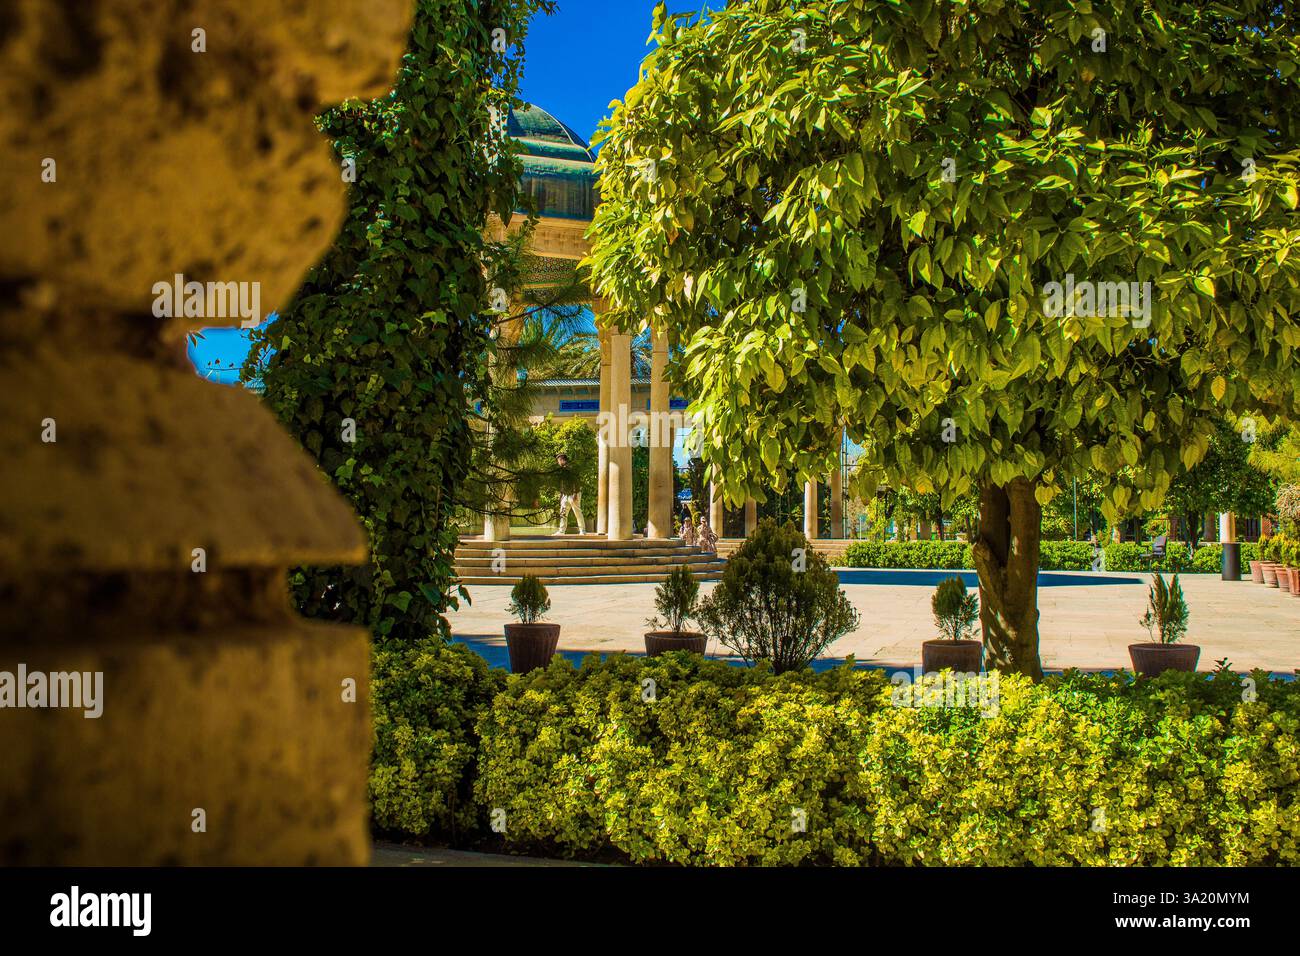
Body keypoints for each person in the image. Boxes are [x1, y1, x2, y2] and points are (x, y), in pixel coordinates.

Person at [552, 453, 585, 535]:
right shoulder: (561, 470)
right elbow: (562, 484)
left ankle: (582, 531)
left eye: (558, 460)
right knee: (563, 513)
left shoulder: (571, 468)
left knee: (577, 512)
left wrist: (574, 493)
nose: (558, 462)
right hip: (565, 495)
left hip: (573, 494)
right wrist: (561, 496)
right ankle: (561, 531)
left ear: (562, 460)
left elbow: (576, 481)